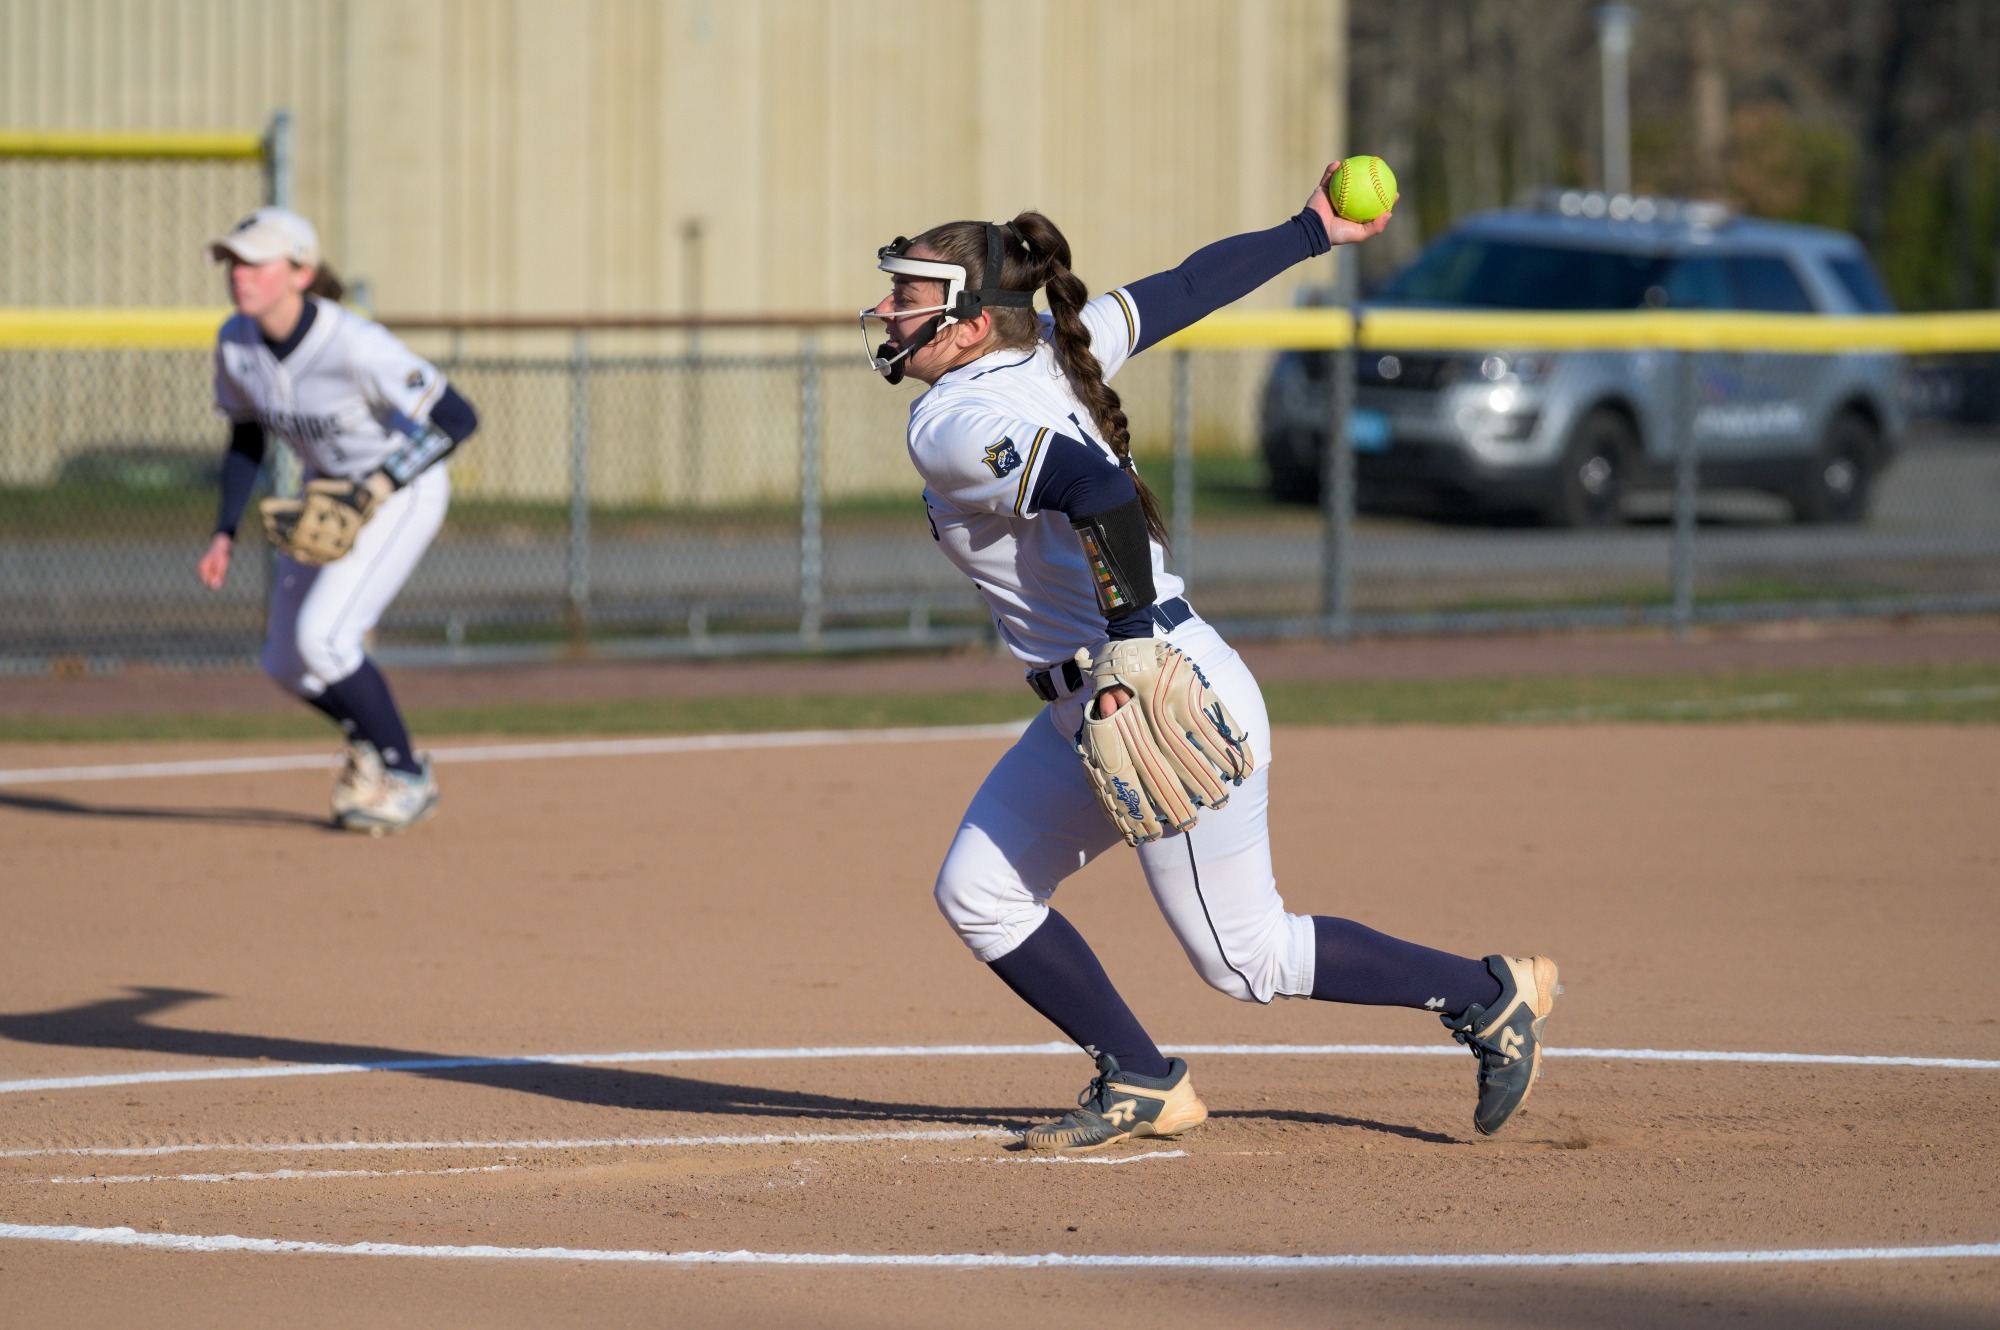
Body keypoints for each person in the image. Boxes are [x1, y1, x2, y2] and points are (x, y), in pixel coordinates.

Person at [859, 164, 1559, 1151]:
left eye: (910, 295)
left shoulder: (950, 424)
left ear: (972, 323)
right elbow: (1186, 288)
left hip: (1152, 687)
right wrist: (1307, 232)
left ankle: (1486, 994)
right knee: (981, 892)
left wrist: (1130, 647)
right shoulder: (1054, 347)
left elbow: (1098, 490)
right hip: (1102, 696)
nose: (890, 310)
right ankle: (1142, 1079)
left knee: (1245, 958)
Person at [196, 207, 478, 834]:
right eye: (233, 262)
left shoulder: (354, 344)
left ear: (300, 273)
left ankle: (408, 775)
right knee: (284, 661)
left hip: (401, 491)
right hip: (327, 496)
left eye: (256, 262)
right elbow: (246, 437)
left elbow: (458, 418)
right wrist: (224, 532)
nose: (239, 274)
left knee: (325, 638)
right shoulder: (236, 342)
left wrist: (377, 486)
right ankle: (372, 749)